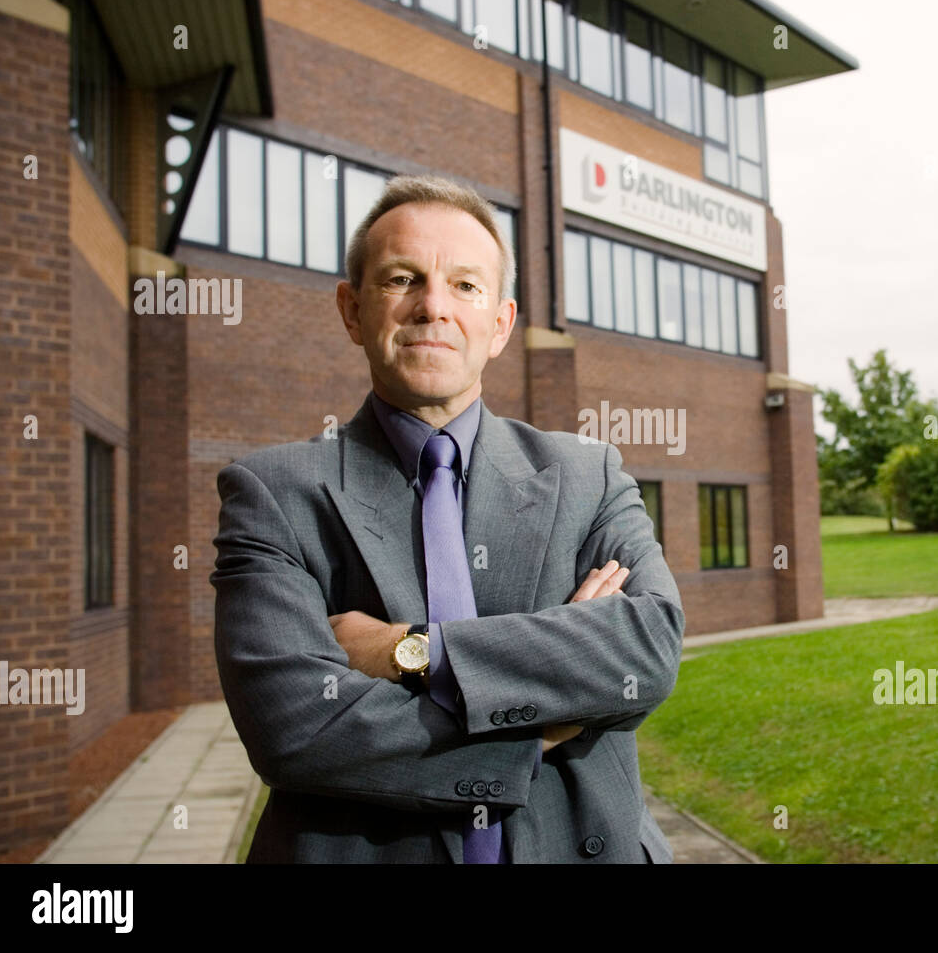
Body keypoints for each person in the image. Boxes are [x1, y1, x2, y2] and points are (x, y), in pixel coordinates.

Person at [210, 174, 684, 863]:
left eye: (465, 285)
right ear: (351, 310)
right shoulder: (272, 493)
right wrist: (544, 723)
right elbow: (297, 731)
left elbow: (647, 648)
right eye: (403, 278)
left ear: (499, 323)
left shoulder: (587, 473)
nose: (434, 307)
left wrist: (413, 650)